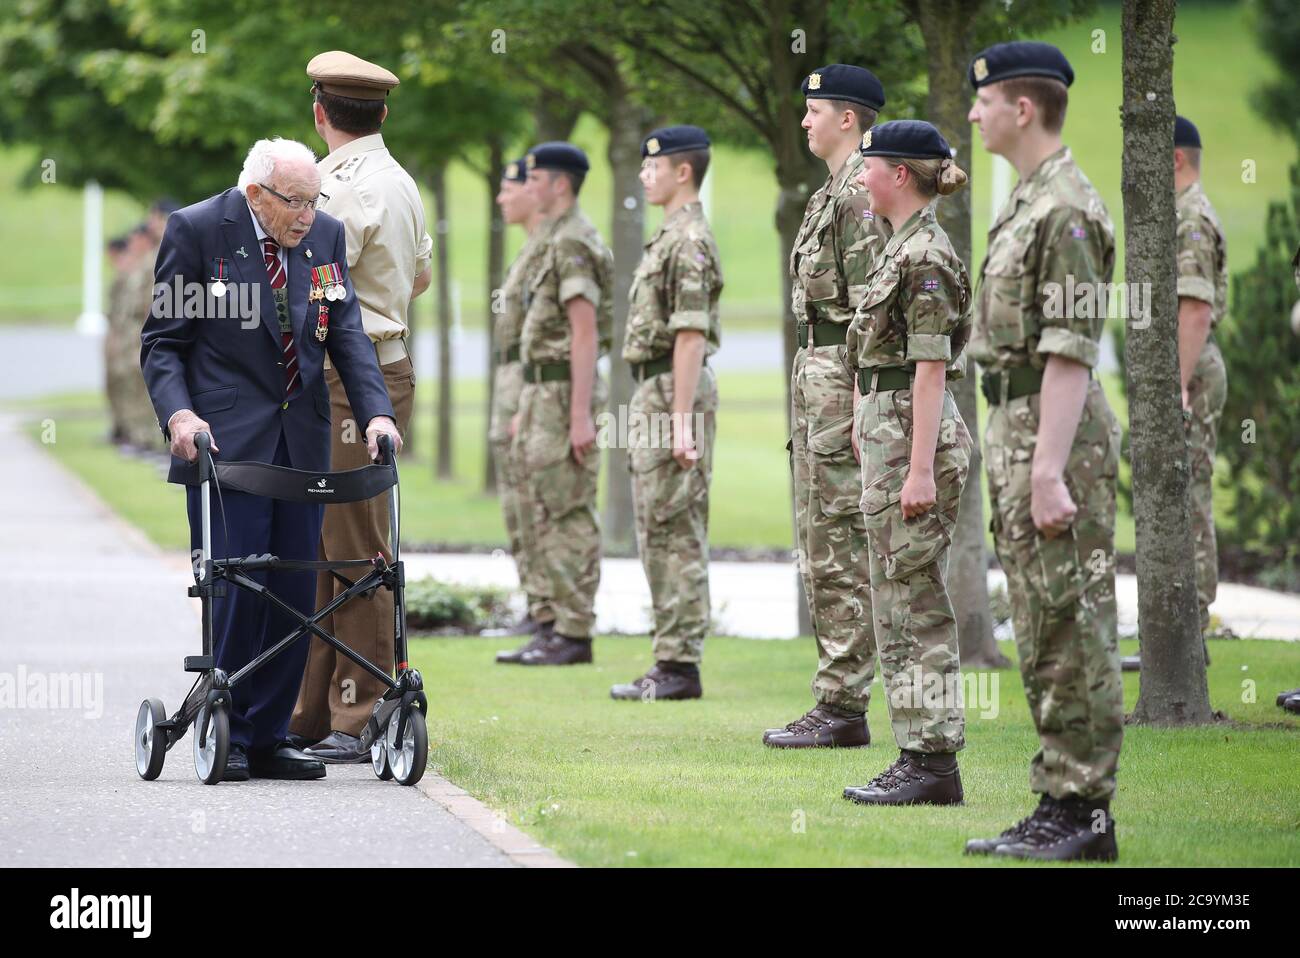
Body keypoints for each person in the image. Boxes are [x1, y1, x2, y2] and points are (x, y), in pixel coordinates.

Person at [141, 136, 403, 781]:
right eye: (296, 202)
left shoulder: (326, 240)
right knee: (239, 583)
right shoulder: (200, 231)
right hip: (224, 446)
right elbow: (164, 343)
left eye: (315, 201)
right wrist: (178, 415)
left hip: (301, 443)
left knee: (293, 589)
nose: (308, 215)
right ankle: (226, 723)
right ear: (257, 194)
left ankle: (267, 735)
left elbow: (346, 333)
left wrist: (375, 412)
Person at [963, 41, 1123, 861]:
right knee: (1038, 620)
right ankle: (1058, 799)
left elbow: (1069, 348)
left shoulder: (1064, 208)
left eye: (983, 100)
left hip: (1053, 431)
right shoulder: (1027, 199)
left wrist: (1048, 469)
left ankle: (1086, 813)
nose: (972, 113)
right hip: (1018, 423)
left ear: (1021, 108)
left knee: (1071, 621)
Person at [288, 51, 433, 764]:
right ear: (381, 113)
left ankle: (363, 711)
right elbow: (423, 275)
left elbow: (305, 284)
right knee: (332, 547)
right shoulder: (398, 181)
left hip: (352, 376)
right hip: (381, 363)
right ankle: (313, 711)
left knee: (353, 549)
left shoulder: (338, 192)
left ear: (320, 111)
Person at [840, 120, 973, 806]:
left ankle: (933, 761)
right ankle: (916, 755)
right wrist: (868, 419)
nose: (859, 178)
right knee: (894, 598)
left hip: (914, 443)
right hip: (892, 435)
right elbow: (884, 360)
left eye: (868, 167)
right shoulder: (900, 247)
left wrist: (919, 468)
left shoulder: (924, 254)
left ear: (898, 174)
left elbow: (930, 367)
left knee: (915, 601)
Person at [764, 64, 891, 748]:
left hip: (841, 381)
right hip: (819, 380)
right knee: (820, 540)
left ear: (850, 118)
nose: (805, 121)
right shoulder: (830, 194)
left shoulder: (860, 194)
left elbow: (874, 306)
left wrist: (862, 405)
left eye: (815, 111)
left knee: (839, 542)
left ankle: (844, 706)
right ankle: (837, 698)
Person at [609, 125, 723, 702]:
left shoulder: (689, 241)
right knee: (657, 525)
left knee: (676, 526)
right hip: (654, 388)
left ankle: (680, 664)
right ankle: (669, 657)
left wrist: (680, 421)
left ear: (683, 172)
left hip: (673, 390)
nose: (643, 176)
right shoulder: (670, 236)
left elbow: (690, 335)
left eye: (654, 167)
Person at [1122, 115, 1226, 672]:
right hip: (1185, 367)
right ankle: (1177, 637)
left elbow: (1195, 308)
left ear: (1176, 160)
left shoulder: (1190, 219)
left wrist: (1178, 386)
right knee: (1177, 499)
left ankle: (1190, 633)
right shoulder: (1182, 214)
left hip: (1191, 368)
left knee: (1188, 500)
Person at [509, 142, 613, 666]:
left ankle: (574, 630)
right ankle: (554, 625)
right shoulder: (555, 235)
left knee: (567, 507)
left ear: (559, 184)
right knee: (543, 505)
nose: (529, 188)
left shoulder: (573, 240)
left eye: (536, 179)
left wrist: (579, 416)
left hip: (562, 393)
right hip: (541, 391)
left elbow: (584, 333)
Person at [493, 156, 559, 663]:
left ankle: (551, 611)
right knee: (517, 502)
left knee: (539, 503)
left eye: (510, 188)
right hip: (514, 379)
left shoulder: (552, 249)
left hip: (531, 384)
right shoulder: (530, 250)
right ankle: (536, 604)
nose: (502, 198)